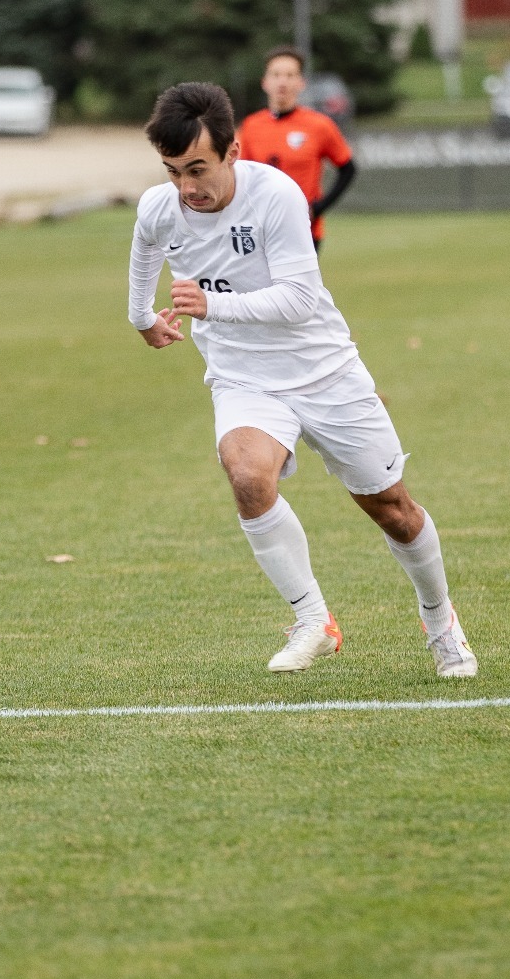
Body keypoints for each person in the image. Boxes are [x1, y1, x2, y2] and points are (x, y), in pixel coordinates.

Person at [127, 82, 474, 677]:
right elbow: (145, 248)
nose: (187, 187)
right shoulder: (160, 206)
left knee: (392, 509)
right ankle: (313, 620)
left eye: (198, 169)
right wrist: (141, 316)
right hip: (244, 377)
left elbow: (298, 298)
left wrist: (211, 306)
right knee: (245, 473)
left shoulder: (276, 195)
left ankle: (440, 619)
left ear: (233, 151)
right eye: (173, 170)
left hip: (325, 373)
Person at [235, 46, 358, 251]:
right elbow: (241, 176)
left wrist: (318, 208)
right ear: (265, 82)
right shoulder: (251, 126)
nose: (282, 81)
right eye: (276, 75)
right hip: (260, 230)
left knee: (297, 285)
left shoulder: (319, 125)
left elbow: (348, 168)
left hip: (304, 232)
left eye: (290, 75)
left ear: (301, 83)